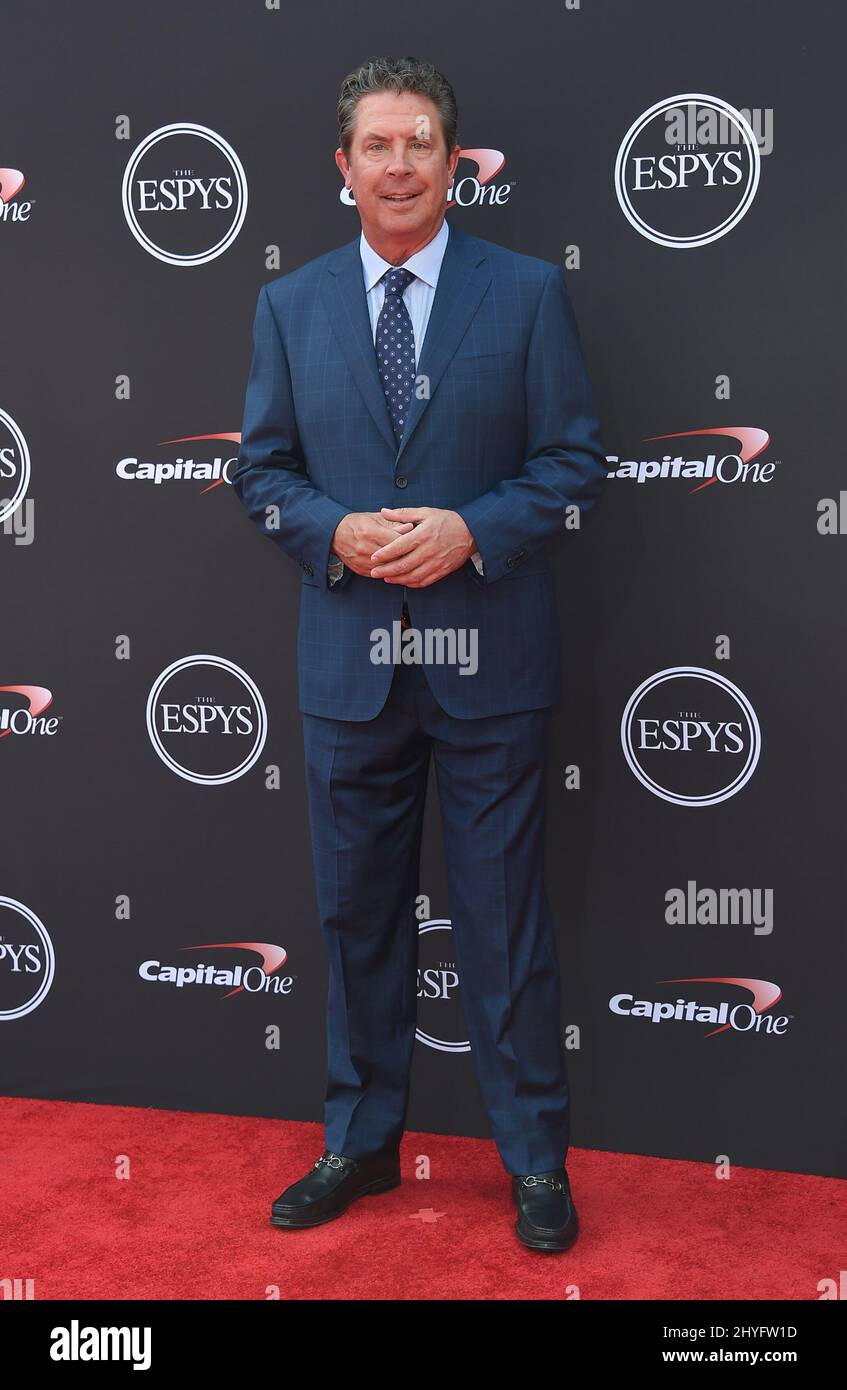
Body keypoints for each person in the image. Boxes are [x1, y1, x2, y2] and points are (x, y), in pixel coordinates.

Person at [232, 55, 608, 1252]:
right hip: (349, 665)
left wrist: (470, 530)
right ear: (342, 169)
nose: (399, 165)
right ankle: (360, 1143)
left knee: (504, 923)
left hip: (490, 661)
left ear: (456, 164)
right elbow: (261, 469)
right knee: (355, 921)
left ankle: (536, 1165)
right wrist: (332, 530)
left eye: (421, 143)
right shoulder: (288, 306)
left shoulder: (529, 292)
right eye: (377, 145)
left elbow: (569, 461)